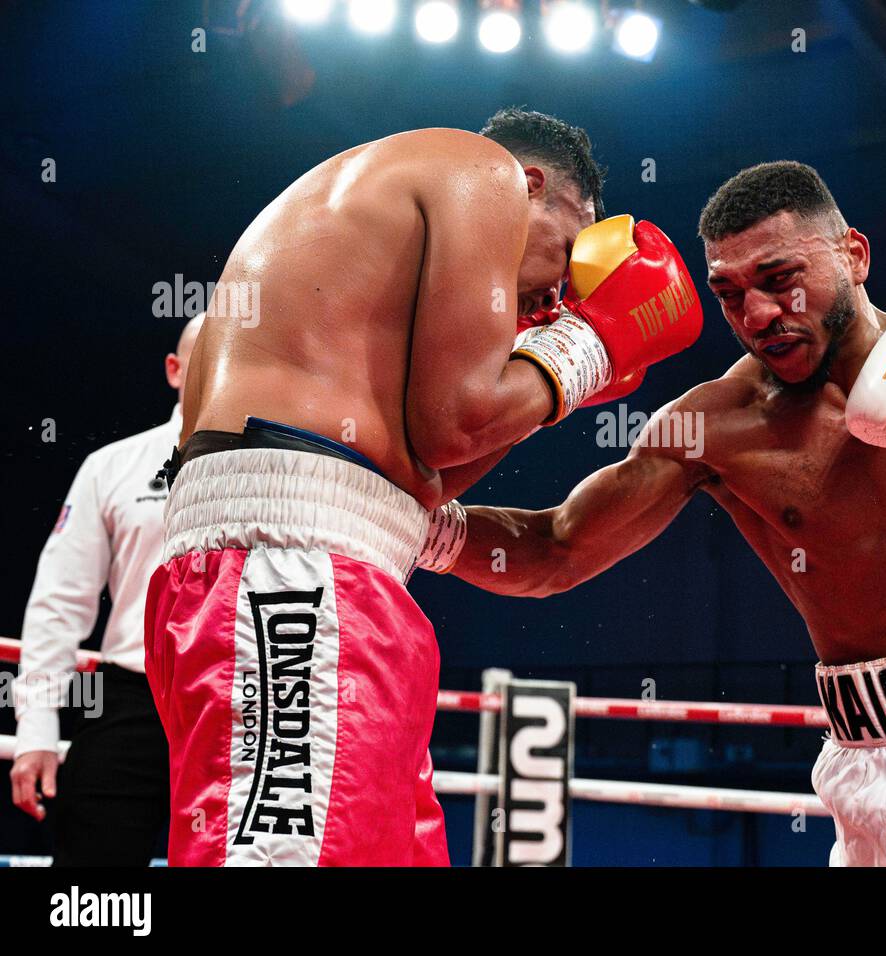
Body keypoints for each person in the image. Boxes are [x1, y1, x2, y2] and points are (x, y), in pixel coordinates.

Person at [440, 161, 886, 866]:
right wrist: (418, 524)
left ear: (854, 255)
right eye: (729, 294)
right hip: (866, 757)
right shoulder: (715, 427)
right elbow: (555, 549)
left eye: (781, 280)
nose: (756, 316)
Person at [145, 109, 702, 866]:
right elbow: (456, 425)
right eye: (571, 252)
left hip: (312, 565)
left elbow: (433, 474)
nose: (556, 298)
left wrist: (558, 376)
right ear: (535, 185)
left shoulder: (355, 250)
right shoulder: (483, 171)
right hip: (292, 575)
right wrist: (592, 343)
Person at [10, 314, 203, 865]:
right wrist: (38, 728)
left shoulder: (281, 471)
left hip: (244, 704)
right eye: (208, 352)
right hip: (133, 699)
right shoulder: (113, 466)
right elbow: (60, 601)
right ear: (174, 369)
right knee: (92, 885)